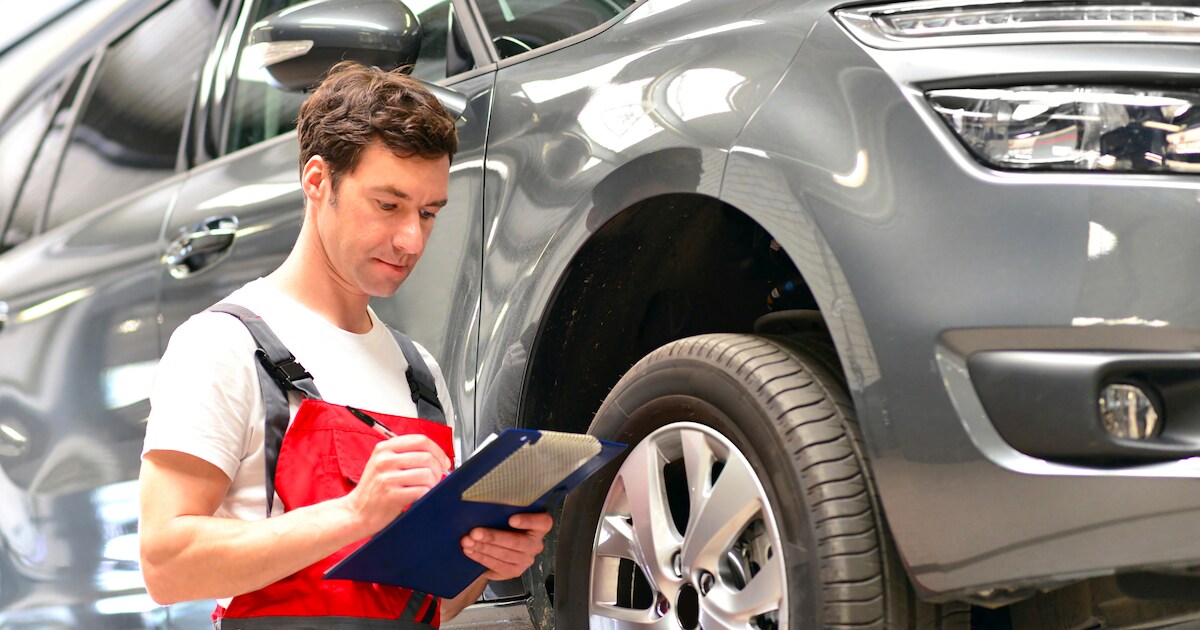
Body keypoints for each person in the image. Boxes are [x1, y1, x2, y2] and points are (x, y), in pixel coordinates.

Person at [138, 61, 551, 628]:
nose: (411, 239)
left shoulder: (418, 373)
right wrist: (355, 513)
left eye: (428, 213)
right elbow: (165, 564)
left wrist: (484, 560)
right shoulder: (222, 345)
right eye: (388, 205)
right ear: (317, 181)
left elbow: (424, 607)